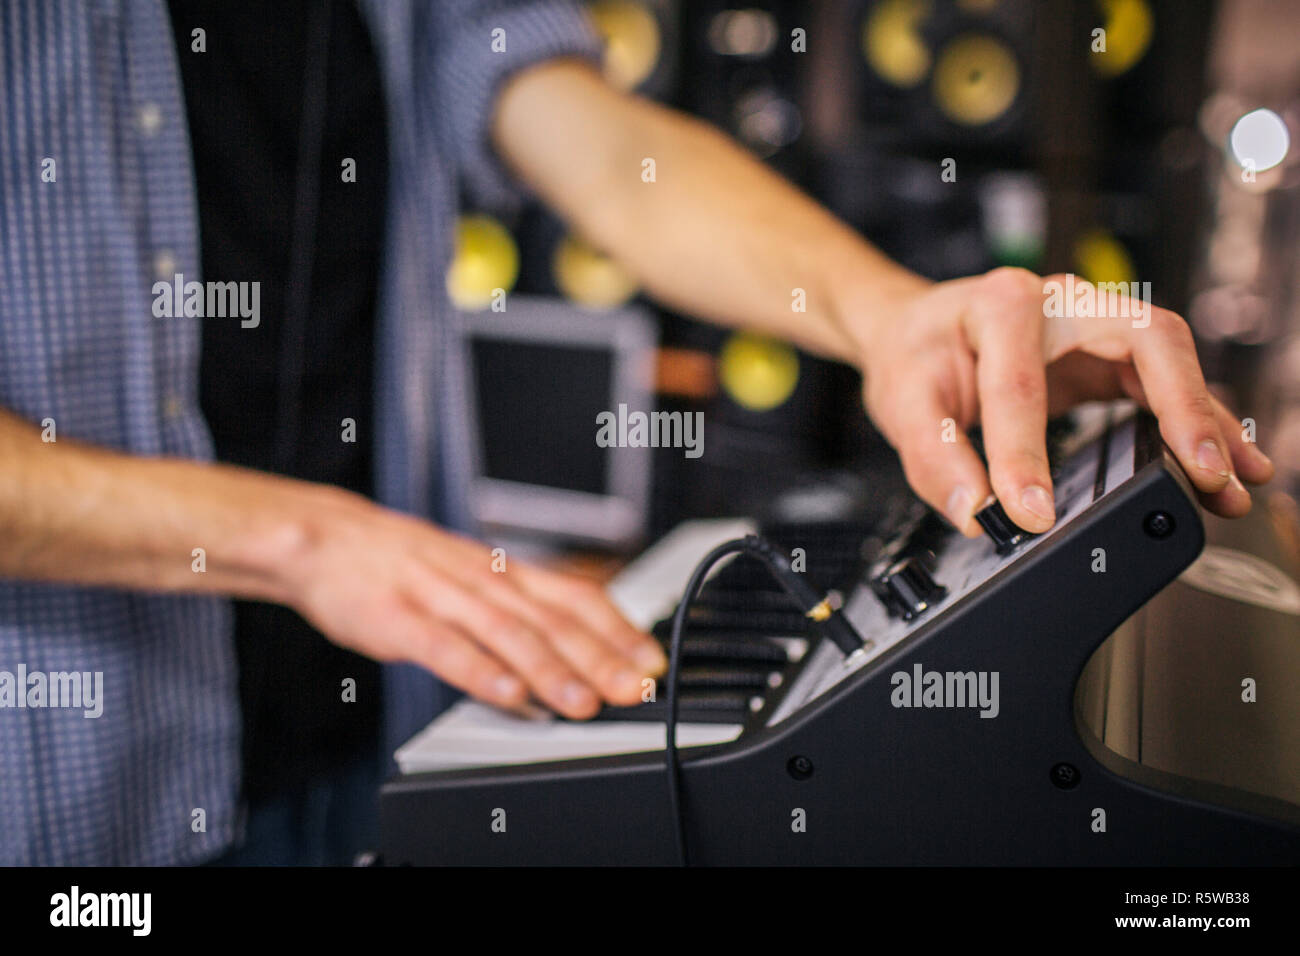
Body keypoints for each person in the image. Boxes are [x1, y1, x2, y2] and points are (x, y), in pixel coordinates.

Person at [0, 0, 1271, 866]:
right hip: (70, 799)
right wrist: (294, 540)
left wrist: (890, 316)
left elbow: (601, 150)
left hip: (391, 727)